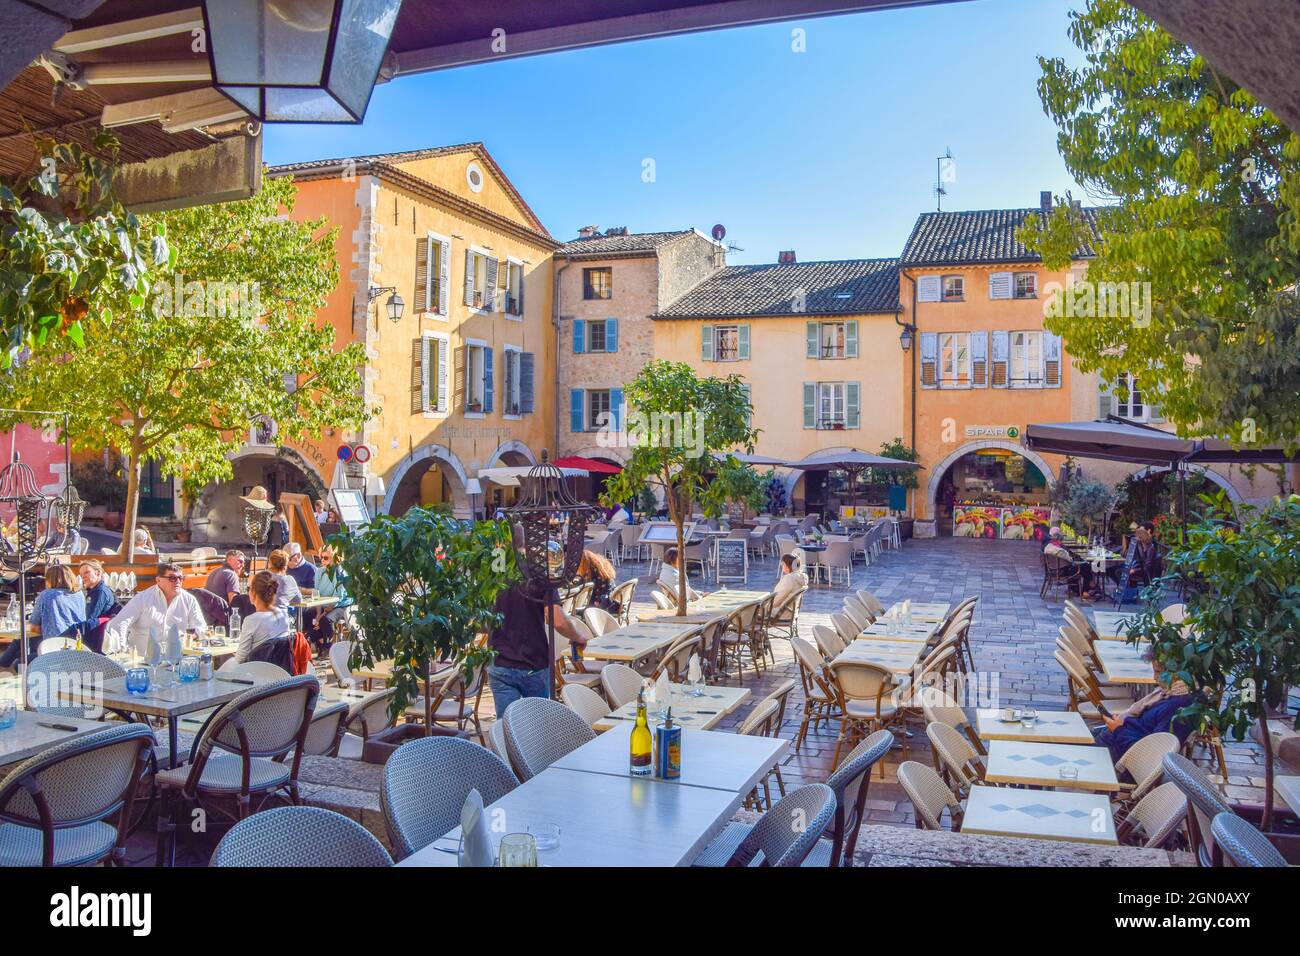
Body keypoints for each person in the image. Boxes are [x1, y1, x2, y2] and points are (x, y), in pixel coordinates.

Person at [487, 539, 588, 718]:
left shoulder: (495, 571)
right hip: (532, 662)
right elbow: (557, 620)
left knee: (507, 726)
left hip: (499, 660)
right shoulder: (540, 574)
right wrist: (578, 636)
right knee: (539, 727)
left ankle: (507, 747)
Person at [1093, 650, 1198, 762]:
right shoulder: (1168, 695)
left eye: (1158, 672)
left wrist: (1118, 729)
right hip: (1116, 741)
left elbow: (1150, 756)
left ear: (1177, 675)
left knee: (1074, 748)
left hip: (1117, 753)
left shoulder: (1178, 708)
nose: (1154, 677)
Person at [104, 562, 206, 655]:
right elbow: (119, 624)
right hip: (143, 661)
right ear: (158, 580)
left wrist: (192, 636)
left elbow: (200, 626)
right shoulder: (143, 598)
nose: (178, 581)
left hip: (176, 659)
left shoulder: (189, 600)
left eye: (181, 578)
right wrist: (123, 650)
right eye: (172, 578)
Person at [0, 565, 85, 669]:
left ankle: (4, 664)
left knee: (19, 663)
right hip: (76, 644)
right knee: (19, 644)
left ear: (50, 579)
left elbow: (34, 625)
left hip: (54, 647)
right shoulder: (79, 594)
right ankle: (3, 662)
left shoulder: (47, 595)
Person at [234, 570, 292, 664]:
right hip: (281, 670)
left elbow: (240, 659)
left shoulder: (251, 620)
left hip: (258, 672)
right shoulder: (283, 614)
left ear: (253, 593)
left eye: (249, 589)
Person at [78, 559, 118, 654]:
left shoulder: (100, 592)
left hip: (96, 640)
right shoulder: (93, 591)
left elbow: (91, 618)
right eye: (81, 574)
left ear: (98, 572)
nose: (83, 576)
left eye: (87, 572)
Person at [575, 549, 618, 614]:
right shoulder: (601, 568)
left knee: (575, 609)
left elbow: (584, 586)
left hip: (601, 606)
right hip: (611, 601)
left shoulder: (594, 573)